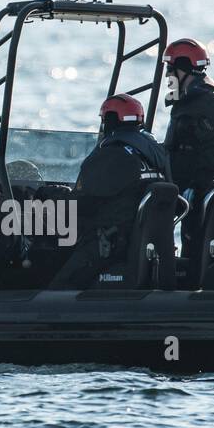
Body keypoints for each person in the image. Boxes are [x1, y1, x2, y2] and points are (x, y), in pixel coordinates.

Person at [49, 94, 171, 289]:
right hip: (141, 245)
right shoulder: (156, 156)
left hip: (107, 247)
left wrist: (53, 196)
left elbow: (81, 204)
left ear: (110, 121)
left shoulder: (112, 154)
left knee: (56, 289)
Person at [161, 38, 214, 268]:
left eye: (170, 69)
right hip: (189, 194)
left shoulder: (209, 101)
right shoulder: (190, 100)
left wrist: (196, 189)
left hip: (201, 198)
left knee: (200, 249)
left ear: (185, 69)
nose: (167, 76)